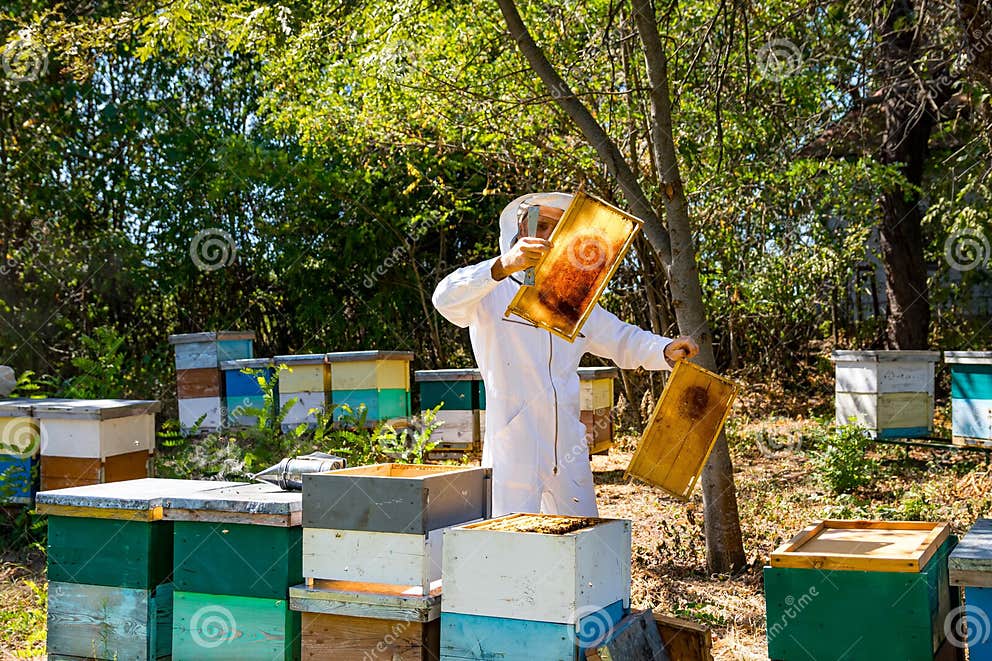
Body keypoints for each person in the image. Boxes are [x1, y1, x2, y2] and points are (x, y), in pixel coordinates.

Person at [432, 192, 699, 517]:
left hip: (567, 445)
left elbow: (620, 339)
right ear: (518, 231)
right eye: (540, 224)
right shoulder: (491, 290)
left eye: (557, 227)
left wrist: (663, 349)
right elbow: (444, 298)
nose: (547, 235)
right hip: (514, 441)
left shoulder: (571, 297)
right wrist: (502, 267)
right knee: (512, 542)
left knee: (581, 539)